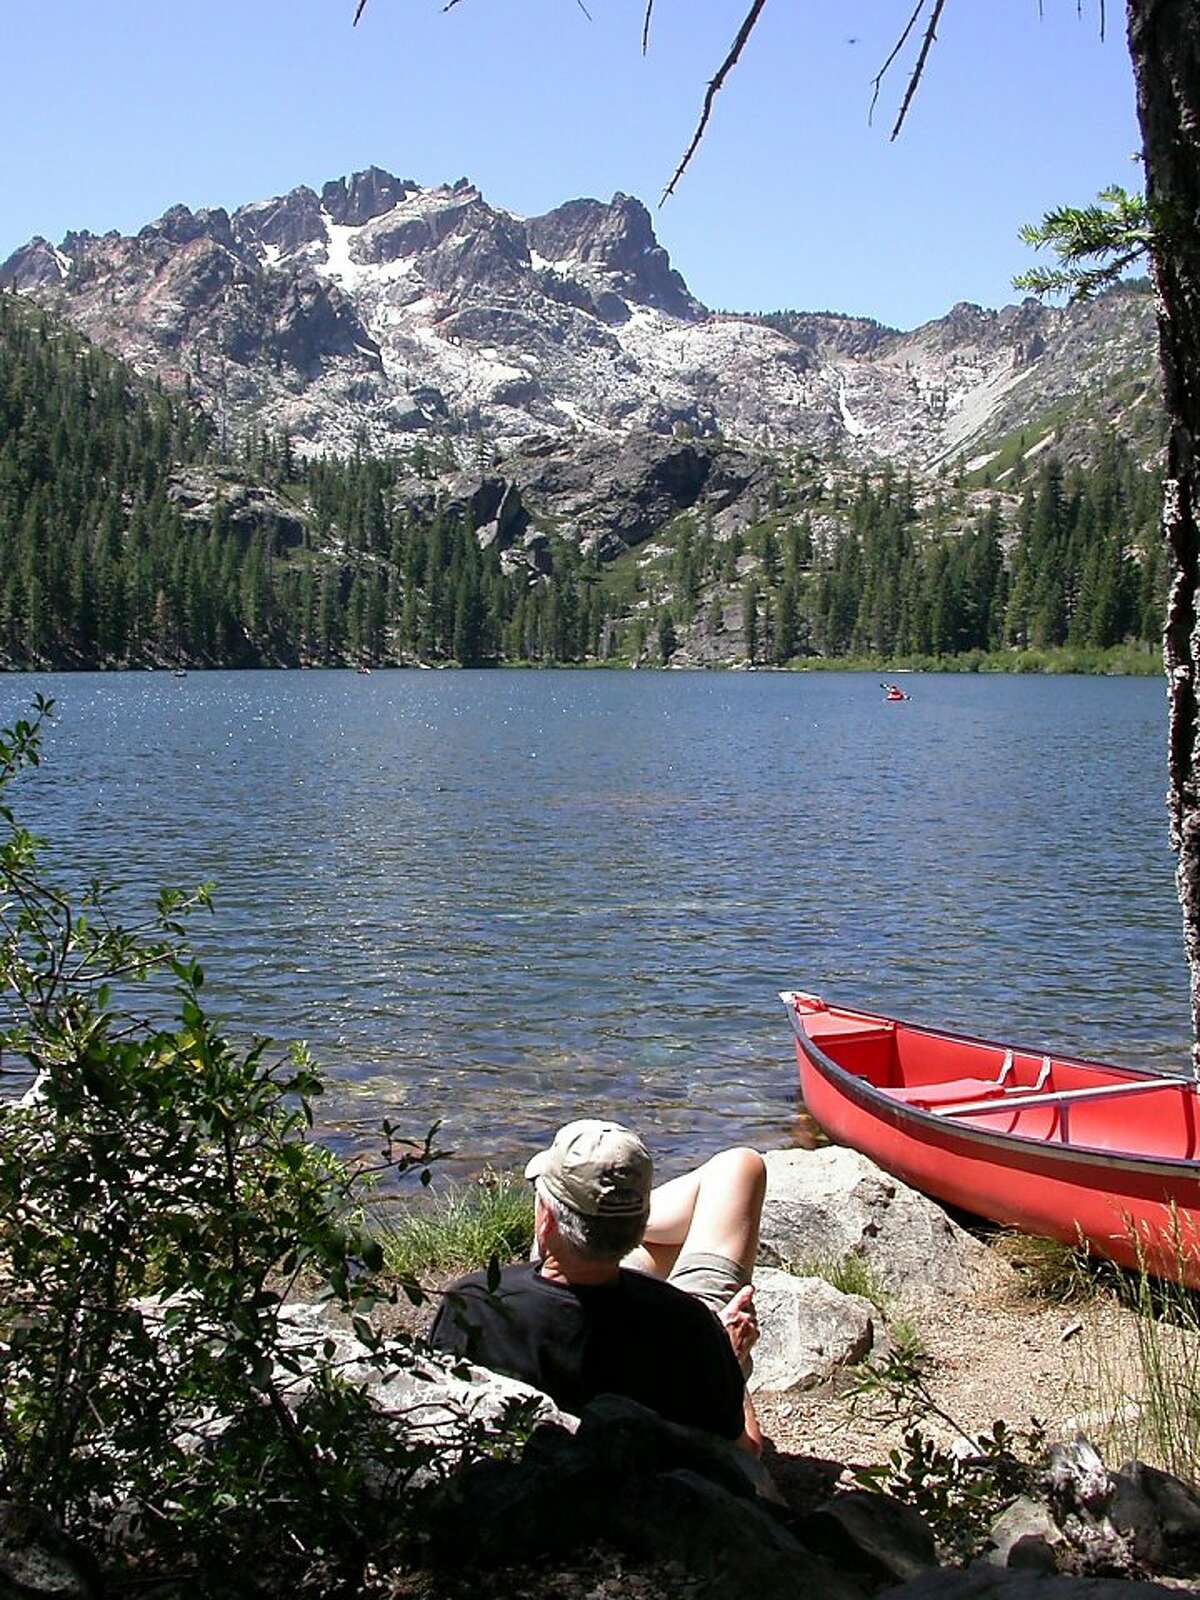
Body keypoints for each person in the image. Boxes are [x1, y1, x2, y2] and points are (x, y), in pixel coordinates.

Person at [428, 1119, 766, 1453]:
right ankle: (610, 1226)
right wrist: (729, 1358)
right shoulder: (691, 1325)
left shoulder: (474, 1302)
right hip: (654, 1438)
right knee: (741, 1167)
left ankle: (591, 1229)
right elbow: (744, 1454)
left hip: (532, 1484)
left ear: (546, 1220)